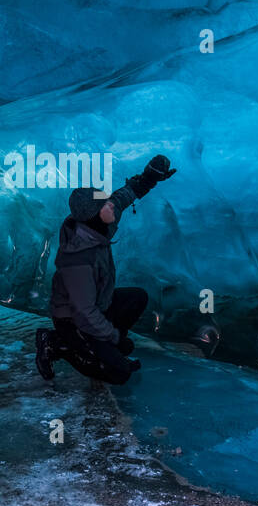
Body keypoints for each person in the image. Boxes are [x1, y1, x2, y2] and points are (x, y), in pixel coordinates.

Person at [35, 154, 176, 384]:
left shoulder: (98, 222)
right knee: (120, 373)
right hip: (74, 320)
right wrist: (114, 337)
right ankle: (56, 343)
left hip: (97, 306)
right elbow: (84, 314)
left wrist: (149, 178)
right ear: (94, 216)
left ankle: (103, 345)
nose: (111, 206)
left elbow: (121, 198)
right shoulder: (77, 259)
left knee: (137, 298)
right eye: (105, 205)